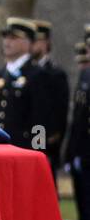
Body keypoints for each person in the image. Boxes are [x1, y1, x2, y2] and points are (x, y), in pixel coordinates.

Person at [0, 18, 54, 151]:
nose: (7, 42)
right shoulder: (2, 73)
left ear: (28, 42)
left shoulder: (37, 74)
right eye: (5, 37)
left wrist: (38, 152)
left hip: (24, 149)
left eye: (14, 37)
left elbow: (41, 119)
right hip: (1, 146)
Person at [64, 39, 90, 220]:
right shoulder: (85, 77)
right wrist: (71, 153)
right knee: (85, 208)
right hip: (83, 153)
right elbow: (78, 120)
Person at [33, 20, 70, 176]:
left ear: (46, 42)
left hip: (44, 139)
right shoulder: (28, 72)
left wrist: (43, 143)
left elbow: (58, 111)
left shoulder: (55, 74)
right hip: (29, 136)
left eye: (37, 40)